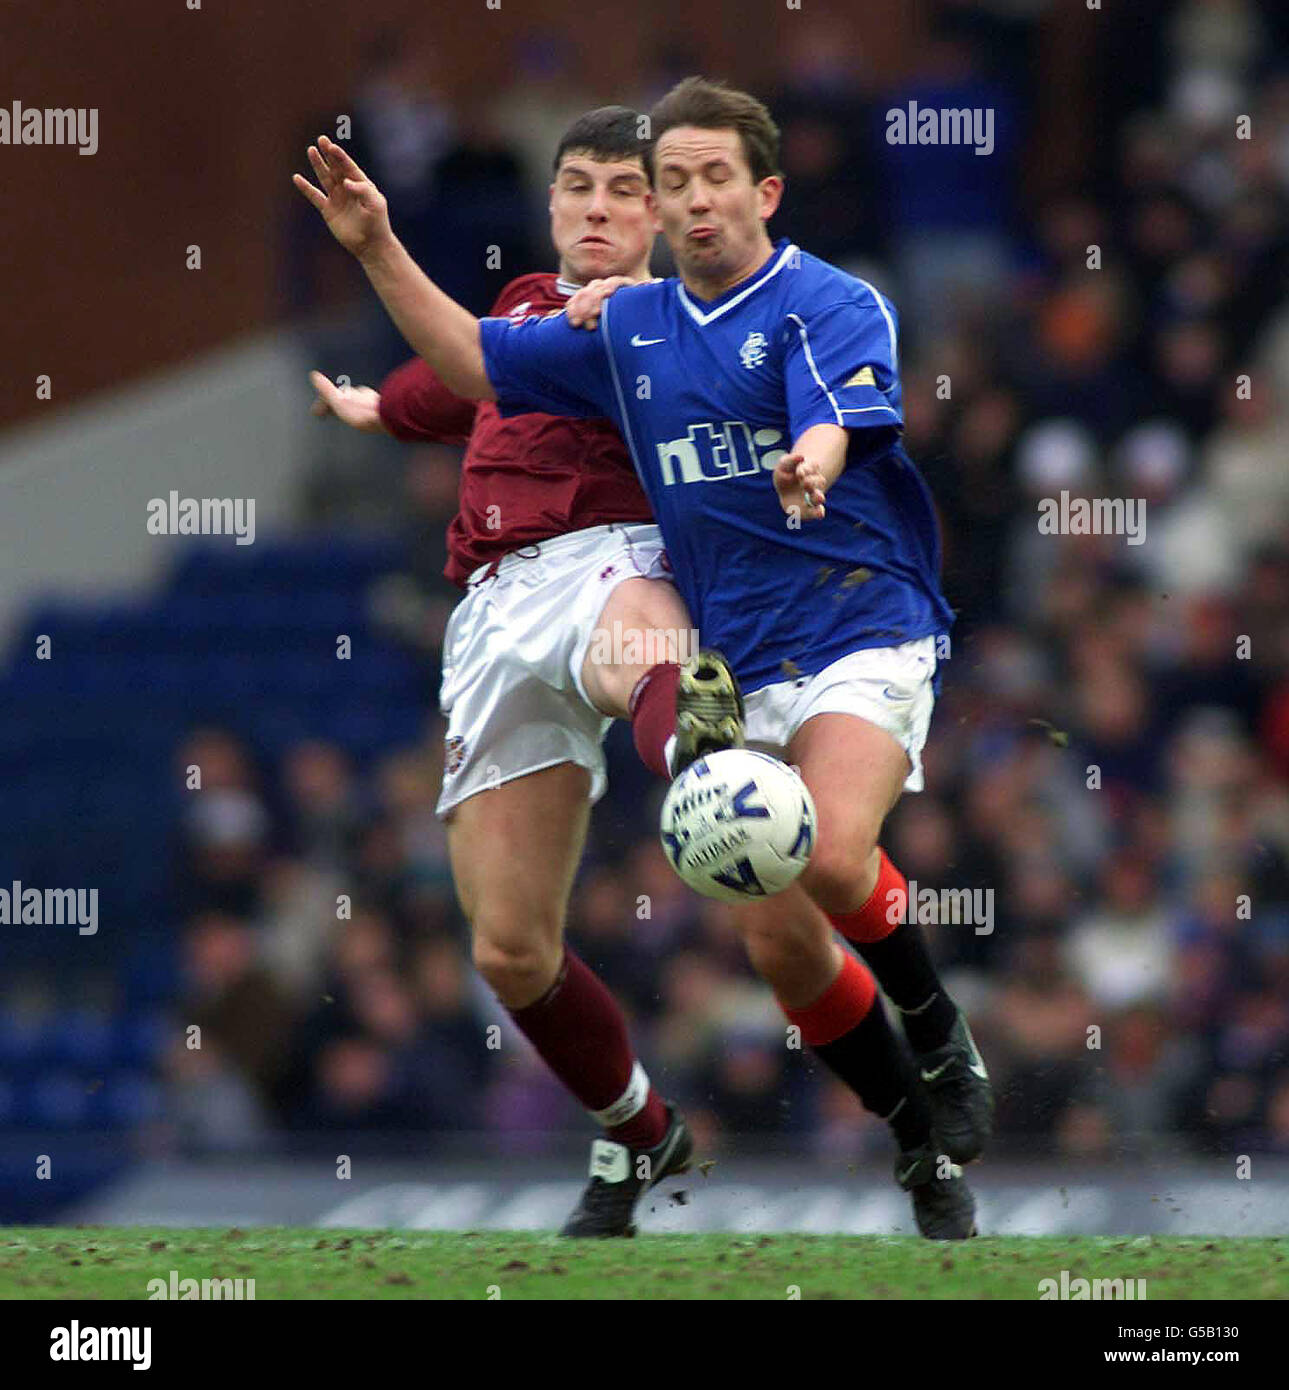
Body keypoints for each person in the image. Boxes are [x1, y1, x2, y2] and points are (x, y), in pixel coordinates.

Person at [295, 80, 991, 1240]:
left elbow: (839, 413)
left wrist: (811, 460)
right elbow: (464, 366)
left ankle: (929, 1021)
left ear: (761, 191)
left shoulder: (819, 298)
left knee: (824, 851)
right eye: (660, 182)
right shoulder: (613, 330)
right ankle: (911, 1138)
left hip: (852, 610)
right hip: (710, 634)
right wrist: (375, 271)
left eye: (685, 178)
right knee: (735, 931)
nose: (675, 199)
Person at [301, 107, 705, 1235]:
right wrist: (377, 409)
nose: (596, 207)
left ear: (665, 211)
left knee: (637, 637)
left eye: (626, 190)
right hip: (488, 615)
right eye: (578, 184)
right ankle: (636, 1128)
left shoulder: (683, 315)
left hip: (608, 561)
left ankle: (706, 762)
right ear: (550, 203)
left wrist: (378, 244)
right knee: (508, 949)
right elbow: (452, 379)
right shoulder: (523, 306)